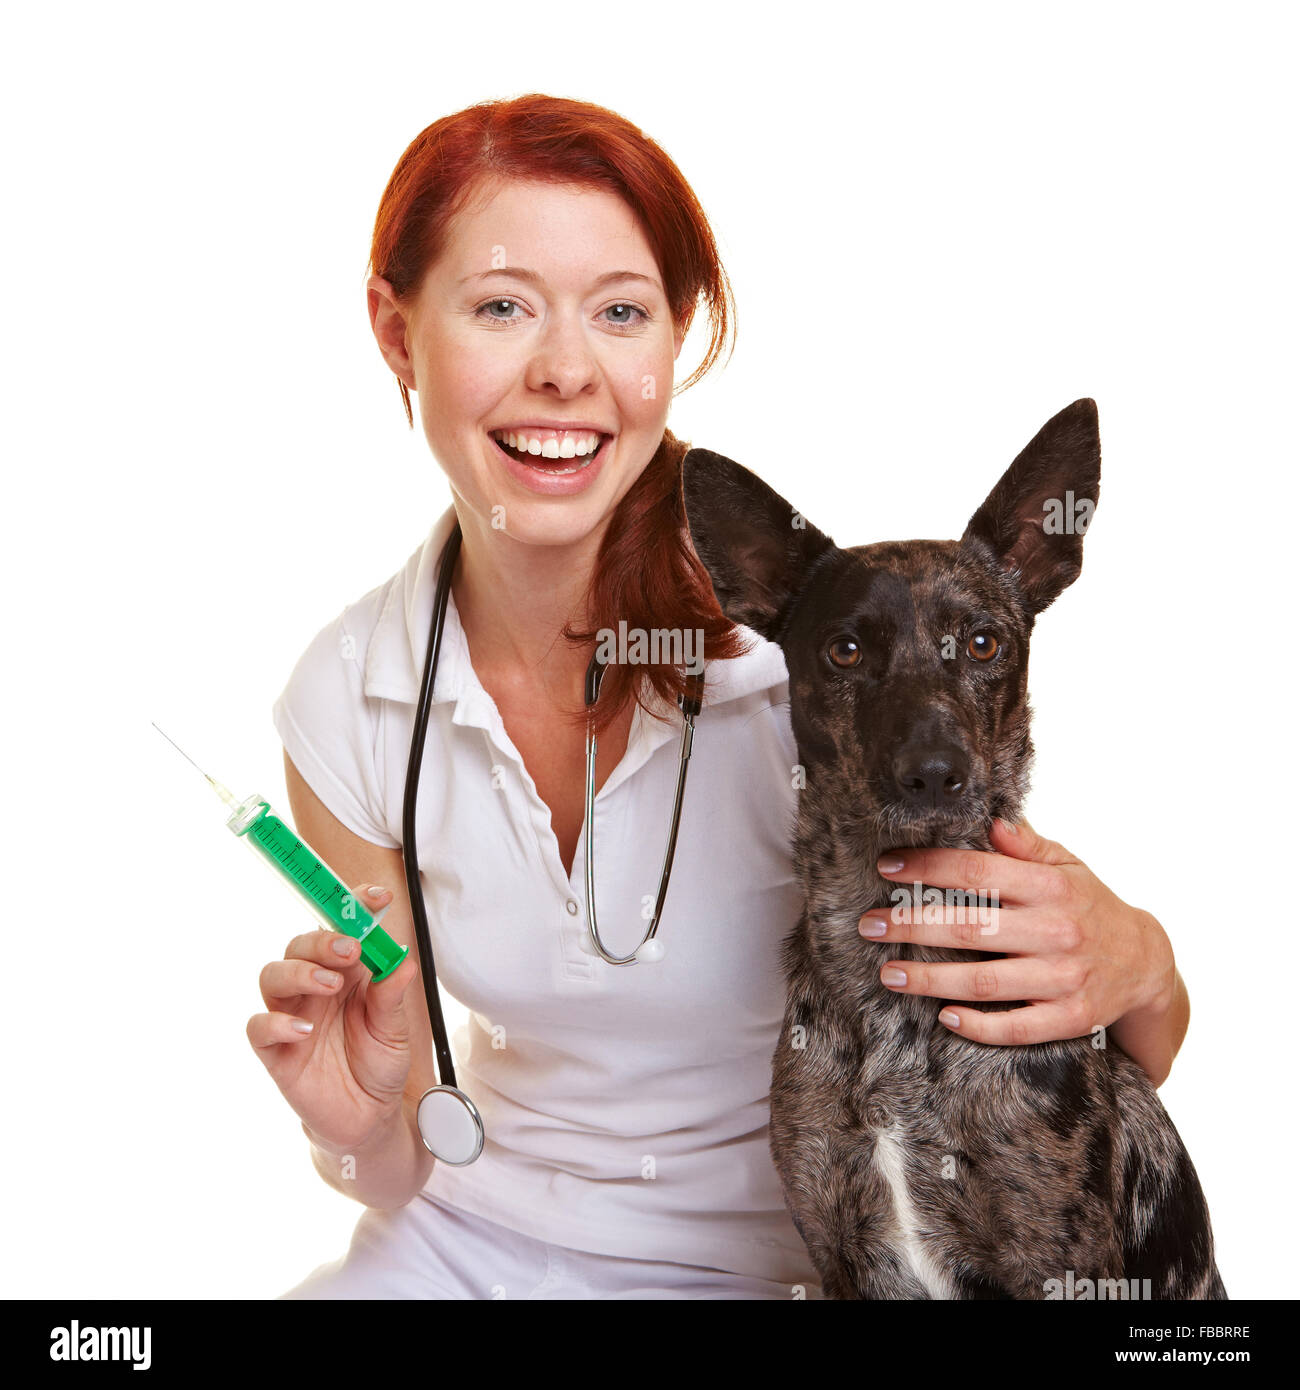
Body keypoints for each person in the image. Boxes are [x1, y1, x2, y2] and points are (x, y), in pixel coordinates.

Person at [246, 94, 1192, 1301]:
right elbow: (397, 1164)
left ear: (672, 341)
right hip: (471, 1246)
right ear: (396, 330)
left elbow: (1103, 1071)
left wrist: (1146, 964)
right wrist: (354, 1123)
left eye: (622, 312)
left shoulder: (813, 660)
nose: (563, 370)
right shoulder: (351, 695)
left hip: (780, 1268)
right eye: (499, 306)